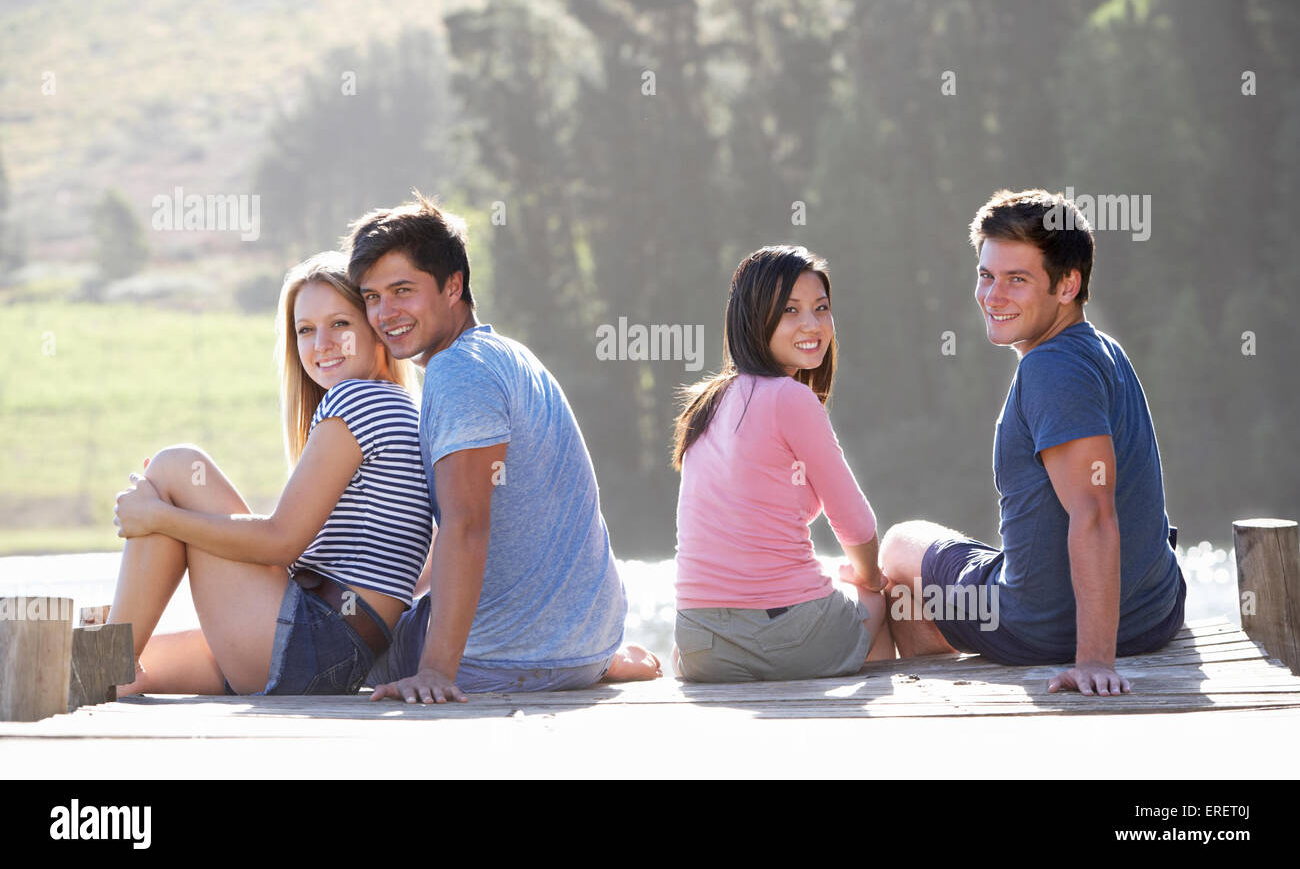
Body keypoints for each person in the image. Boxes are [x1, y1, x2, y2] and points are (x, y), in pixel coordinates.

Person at [348, 192, 659, 704]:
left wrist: (435, 671)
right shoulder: (505, 354)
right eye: (371, 297)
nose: (385, 313)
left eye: (402, 290)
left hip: (504, 658)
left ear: (453, 286)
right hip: (585, 644)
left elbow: (467, 524)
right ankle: (586, 658)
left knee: (311, 644)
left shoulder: (459, 372)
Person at [878, 189, 1186, 696]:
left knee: (897, 546)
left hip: (1040, 628)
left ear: (1068, 284)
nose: (992, 296)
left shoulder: (1051, 368)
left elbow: (1094, 513)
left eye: (1016, 279)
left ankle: (933, 691)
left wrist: (1093, 661)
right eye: (986, 275)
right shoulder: (1100, 349)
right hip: (1154, 613)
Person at [108, 252, 433, 696]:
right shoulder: (396, 406)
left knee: (177, 468)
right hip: (333, 653)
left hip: (316, 641)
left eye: (340, 324)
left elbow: (281, 541)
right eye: (305, 330)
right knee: (128, 671)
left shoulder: (357, 402)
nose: (321, 343)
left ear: (373, 328)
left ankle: (107, 656)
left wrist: (158, 518)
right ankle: (108, 655)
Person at [671, 245, 894, 683]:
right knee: (875, 597)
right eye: (791, 310)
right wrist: (872, 577)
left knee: (836, 584)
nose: (811, 324)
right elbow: (856, 524)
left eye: (821, 308)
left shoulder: (707, 402)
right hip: (788, 637)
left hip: (698, 643)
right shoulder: (790, 398)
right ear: (755, 319)